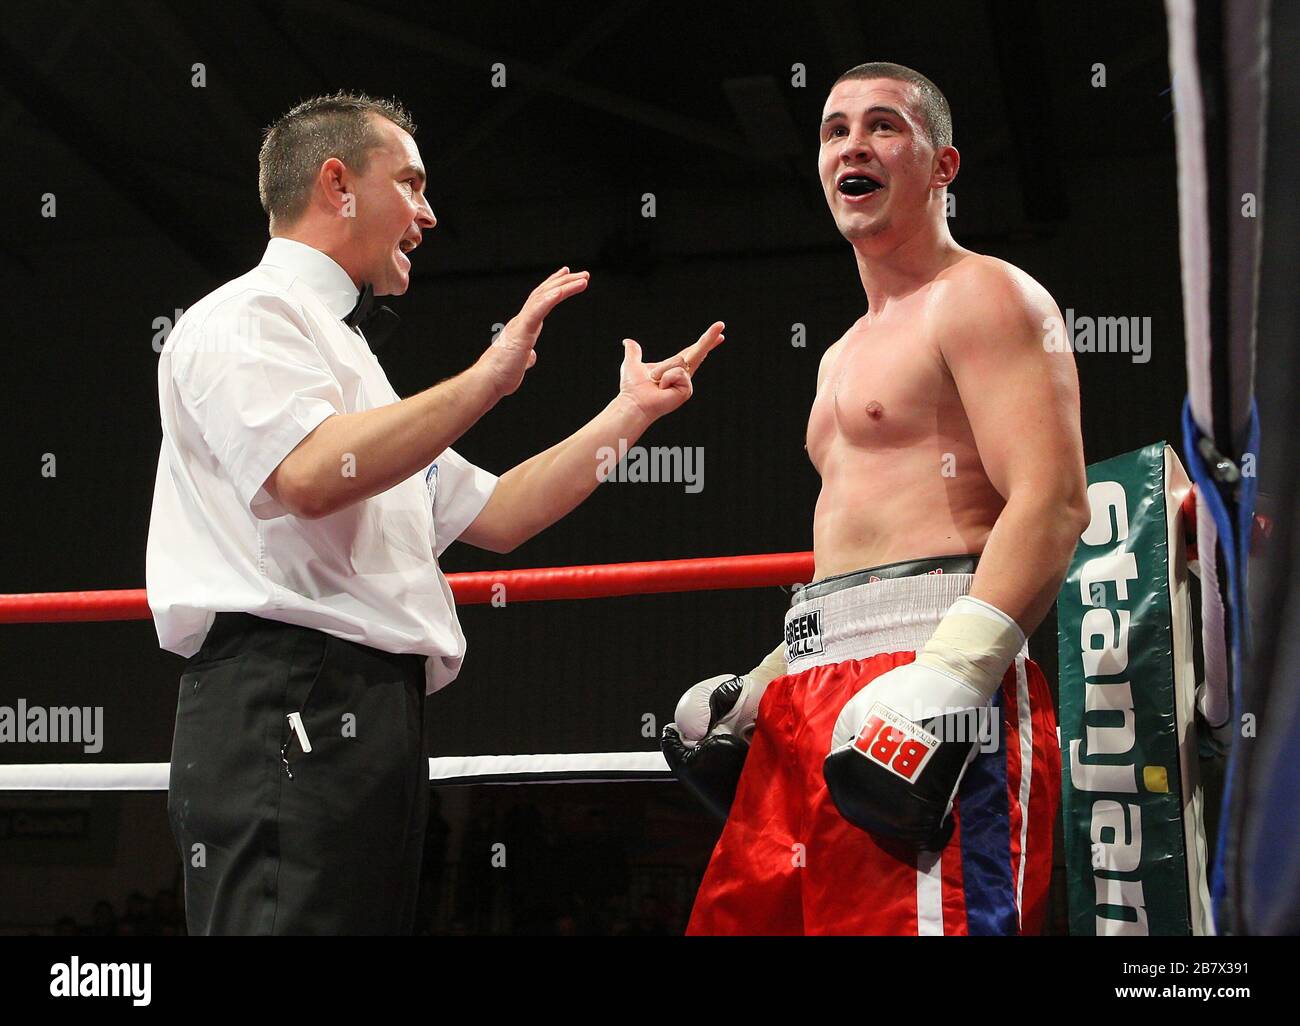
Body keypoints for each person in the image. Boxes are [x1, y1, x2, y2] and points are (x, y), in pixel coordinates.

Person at [146, 91, 723, 935]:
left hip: (369, 703)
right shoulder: (248, 316)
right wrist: (489, 377)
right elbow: (308, 474)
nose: (428, 212)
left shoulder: (350, 360)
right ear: (337, 185)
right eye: (410, 184)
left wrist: (627, 416)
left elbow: (500, 513)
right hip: (284, 691)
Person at [663, 62, 1087, 935]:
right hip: (809, 701)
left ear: (943, 166)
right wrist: (764, 682)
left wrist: (951, 672)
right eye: (834, 129)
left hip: (933, 687)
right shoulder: (841, 354)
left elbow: (1049, 501)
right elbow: (861, 557)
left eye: (884, 125)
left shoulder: (984, 294)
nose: (853, 144)